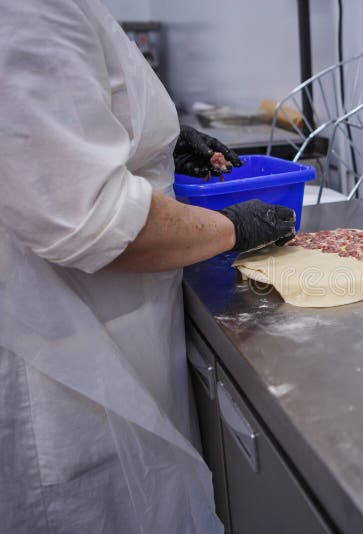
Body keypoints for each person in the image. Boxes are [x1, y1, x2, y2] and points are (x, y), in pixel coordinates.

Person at [0, 0, 295, 531]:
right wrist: (234, 228)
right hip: (71, 360)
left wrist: (156, 145)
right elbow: (90, 216)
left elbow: (50, 130)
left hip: (108, 332)